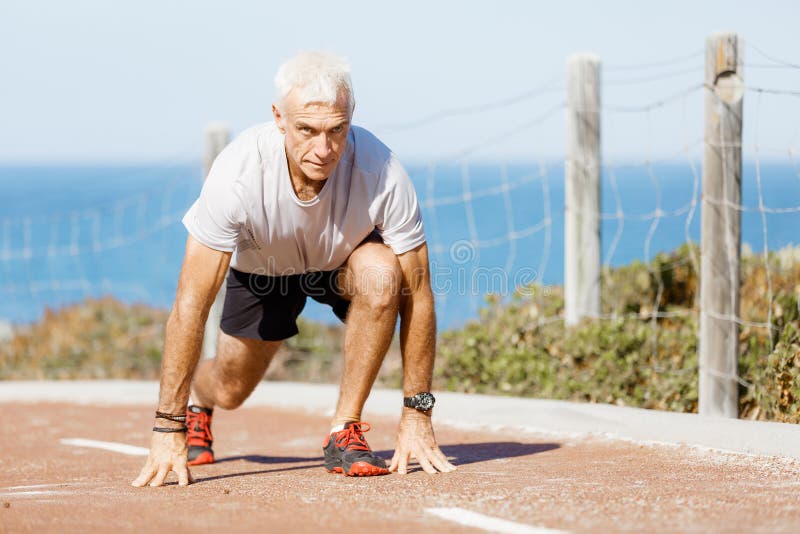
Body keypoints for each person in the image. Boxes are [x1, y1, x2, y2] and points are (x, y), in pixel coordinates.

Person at [132, 51, 456, 486]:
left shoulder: (382, 170)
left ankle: (345, 430)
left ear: (351, 118)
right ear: (279, 118)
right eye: (307, 130)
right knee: (230, 388)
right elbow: (191, 303)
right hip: (263, 270)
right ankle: (198, 404)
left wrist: (418, 414)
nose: (323, 150)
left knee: (384, 273)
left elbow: (419, 293)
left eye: (337, 130)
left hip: (340, 261)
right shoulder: (238, 175)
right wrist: (167, 426)